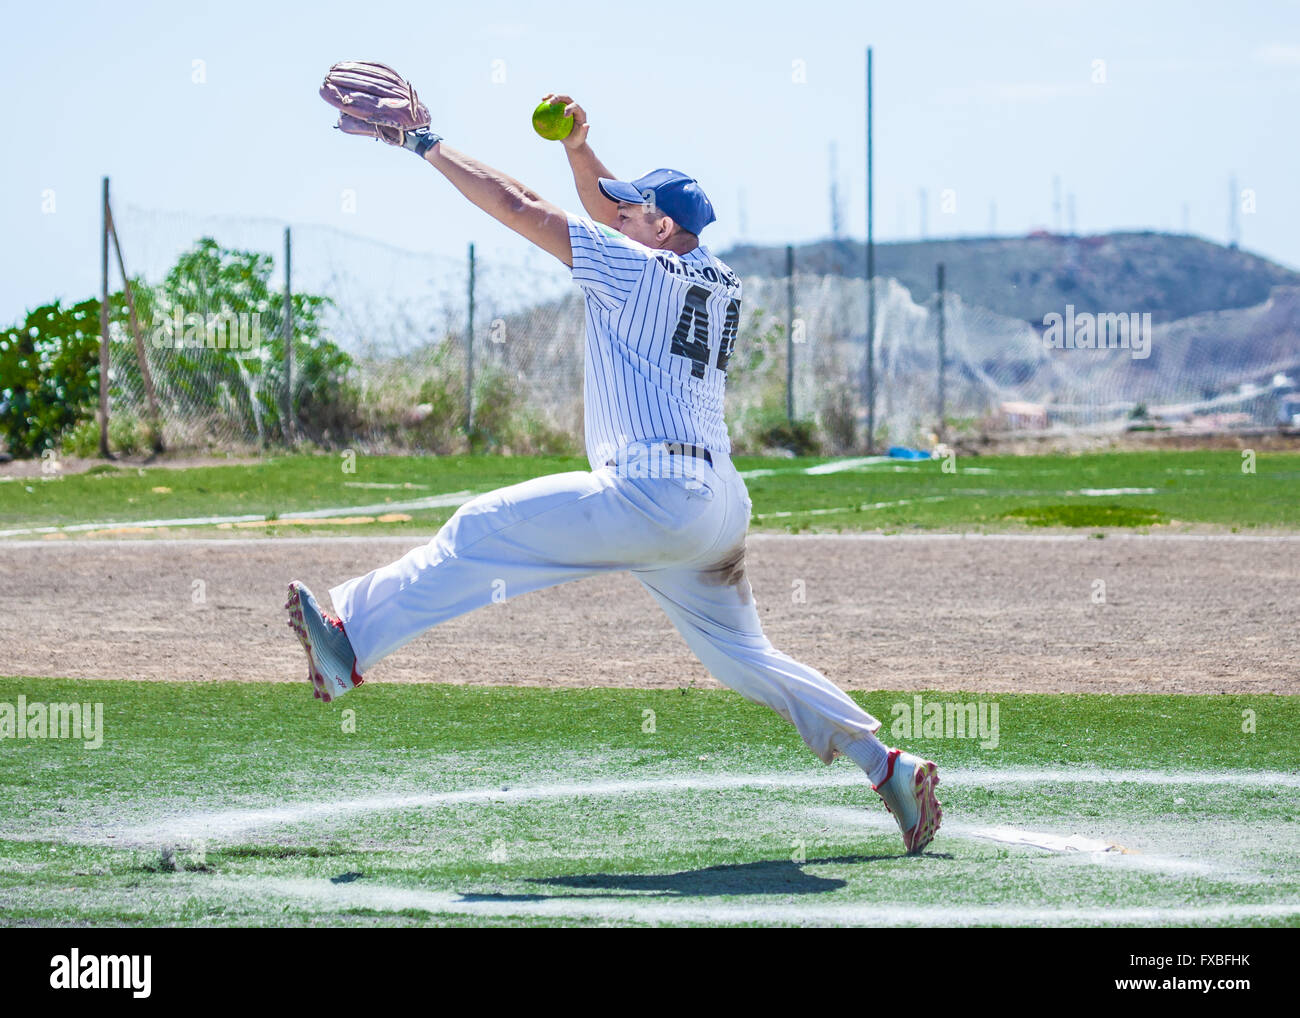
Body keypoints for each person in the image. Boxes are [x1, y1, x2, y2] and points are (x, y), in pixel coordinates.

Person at [287, 80, 941, 853]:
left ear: (658, 226)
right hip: (717, 508)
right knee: (746, 659)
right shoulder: (718, 279)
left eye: (631, 211)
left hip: (651, 493)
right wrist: (577, 147)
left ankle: (351, 642)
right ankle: (884, 763)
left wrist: (424, 143)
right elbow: (604, 210)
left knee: (481, 528)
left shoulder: (633, 269)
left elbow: (519, 205)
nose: (615, 214)